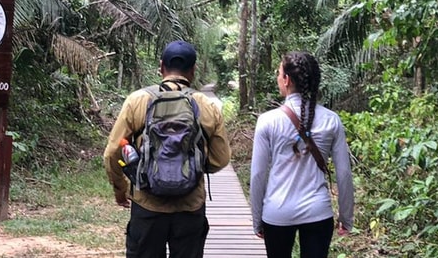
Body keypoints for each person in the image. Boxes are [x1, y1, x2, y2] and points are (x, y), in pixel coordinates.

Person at [104, 40, 232, 258]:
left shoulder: (138, 100)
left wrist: (121, 190)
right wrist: (191, 166)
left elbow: (112, 152)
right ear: (193, 70)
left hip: (147, 205)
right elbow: (221, 159)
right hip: (190, 206)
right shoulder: (207, 105)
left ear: (161, 66)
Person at [249, 51, 355, 258]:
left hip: (277, 212)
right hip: (318, 212)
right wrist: (346, 217)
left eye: (279, 73)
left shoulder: (267, 121)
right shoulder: (331, 119)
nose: (277, 77)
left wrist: (257, 219)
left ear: (287, 80)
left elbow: (258, 175)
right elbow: (344, 173)